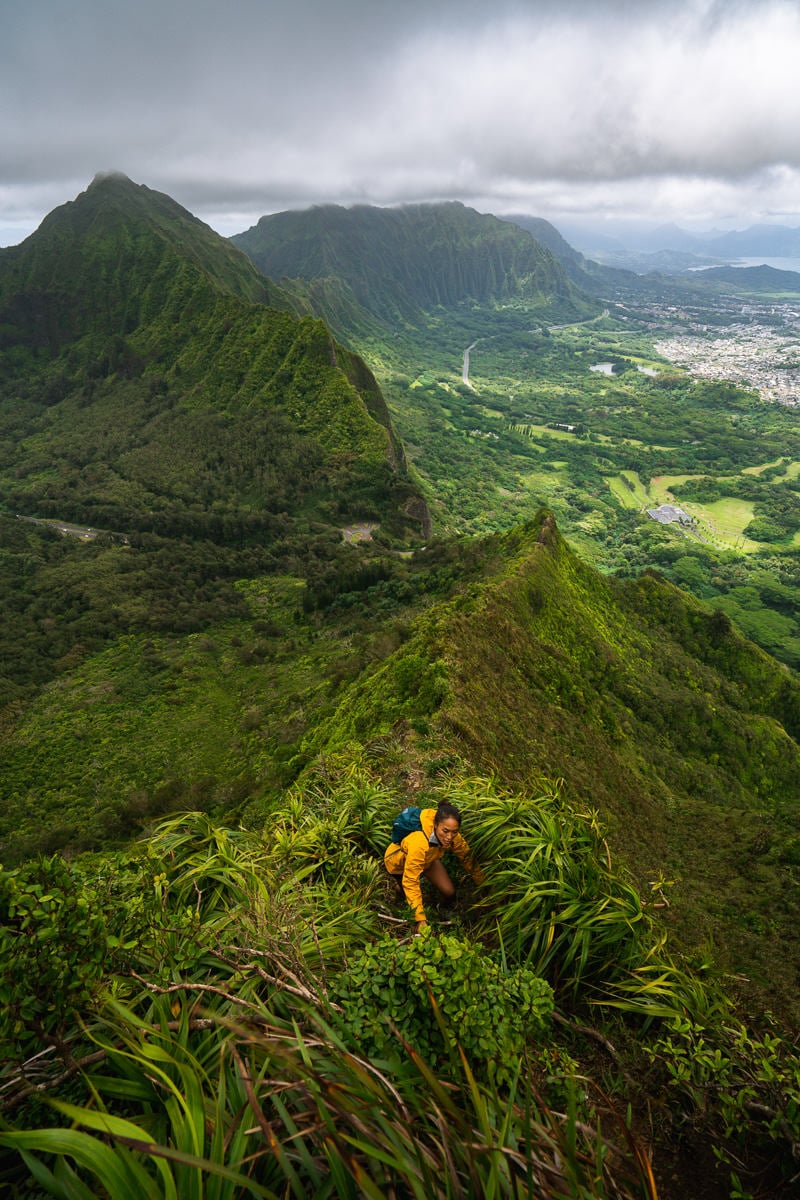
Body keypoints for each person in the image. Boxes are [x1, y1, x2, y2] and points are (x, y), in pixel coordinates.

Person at [384, 802, 483, 932]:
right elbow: (411, 881)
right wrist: (420, 919)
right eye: (445, 831)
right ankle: (399, 896)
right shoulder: (419, 842)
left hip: (428, 861)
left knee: (449, 892)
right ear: (435, 825)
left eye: (454, 832)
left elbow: (466, 857)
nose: (449, 837)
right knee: (405, 888)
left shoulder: (452, 835)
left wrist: (483, 882)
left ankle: (439, 909)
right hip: (399, 865)